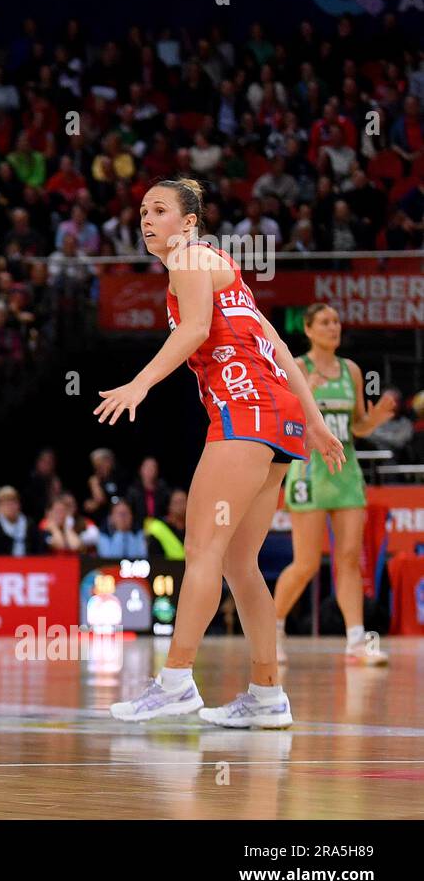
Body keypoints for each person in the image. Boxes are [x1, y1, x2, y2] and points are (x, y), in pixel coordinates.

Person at [103, 178, 342, 730]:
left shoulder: (189, 259)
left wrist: (140, 383)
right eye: (141, 211)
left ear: (188, 223)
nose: (146, 219)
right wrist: (314, 422)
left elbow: (194, 331)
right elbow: (280, 348)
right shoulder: (221, 268)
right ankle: (267, 696)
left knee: (204, 549)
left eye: (159, 210)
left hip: (245, 413)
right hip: (277, 420)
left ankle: (176, 682)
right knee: (239, 562)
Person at [273, 303, 397, 665]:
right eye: (325, 322)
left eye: (336, 321)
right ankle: (273, 628)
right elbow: (286, 421)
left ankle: (356, 642)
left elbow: (356, 427)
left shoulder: (351, 370)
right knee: (307, 563)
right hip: (310, 473)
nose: (333, 327)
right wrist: (304, 393)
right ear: (308, 330)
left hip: (346, 473)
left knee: (348, 560)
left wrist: (373, 421)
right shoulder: (297, 367)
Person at [0, 486, 46, 556]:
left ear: (19, 505)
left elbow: (38, 550)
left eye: (13, 503)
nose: (10, 507)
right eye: (6, 504)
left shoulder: (29, 524)